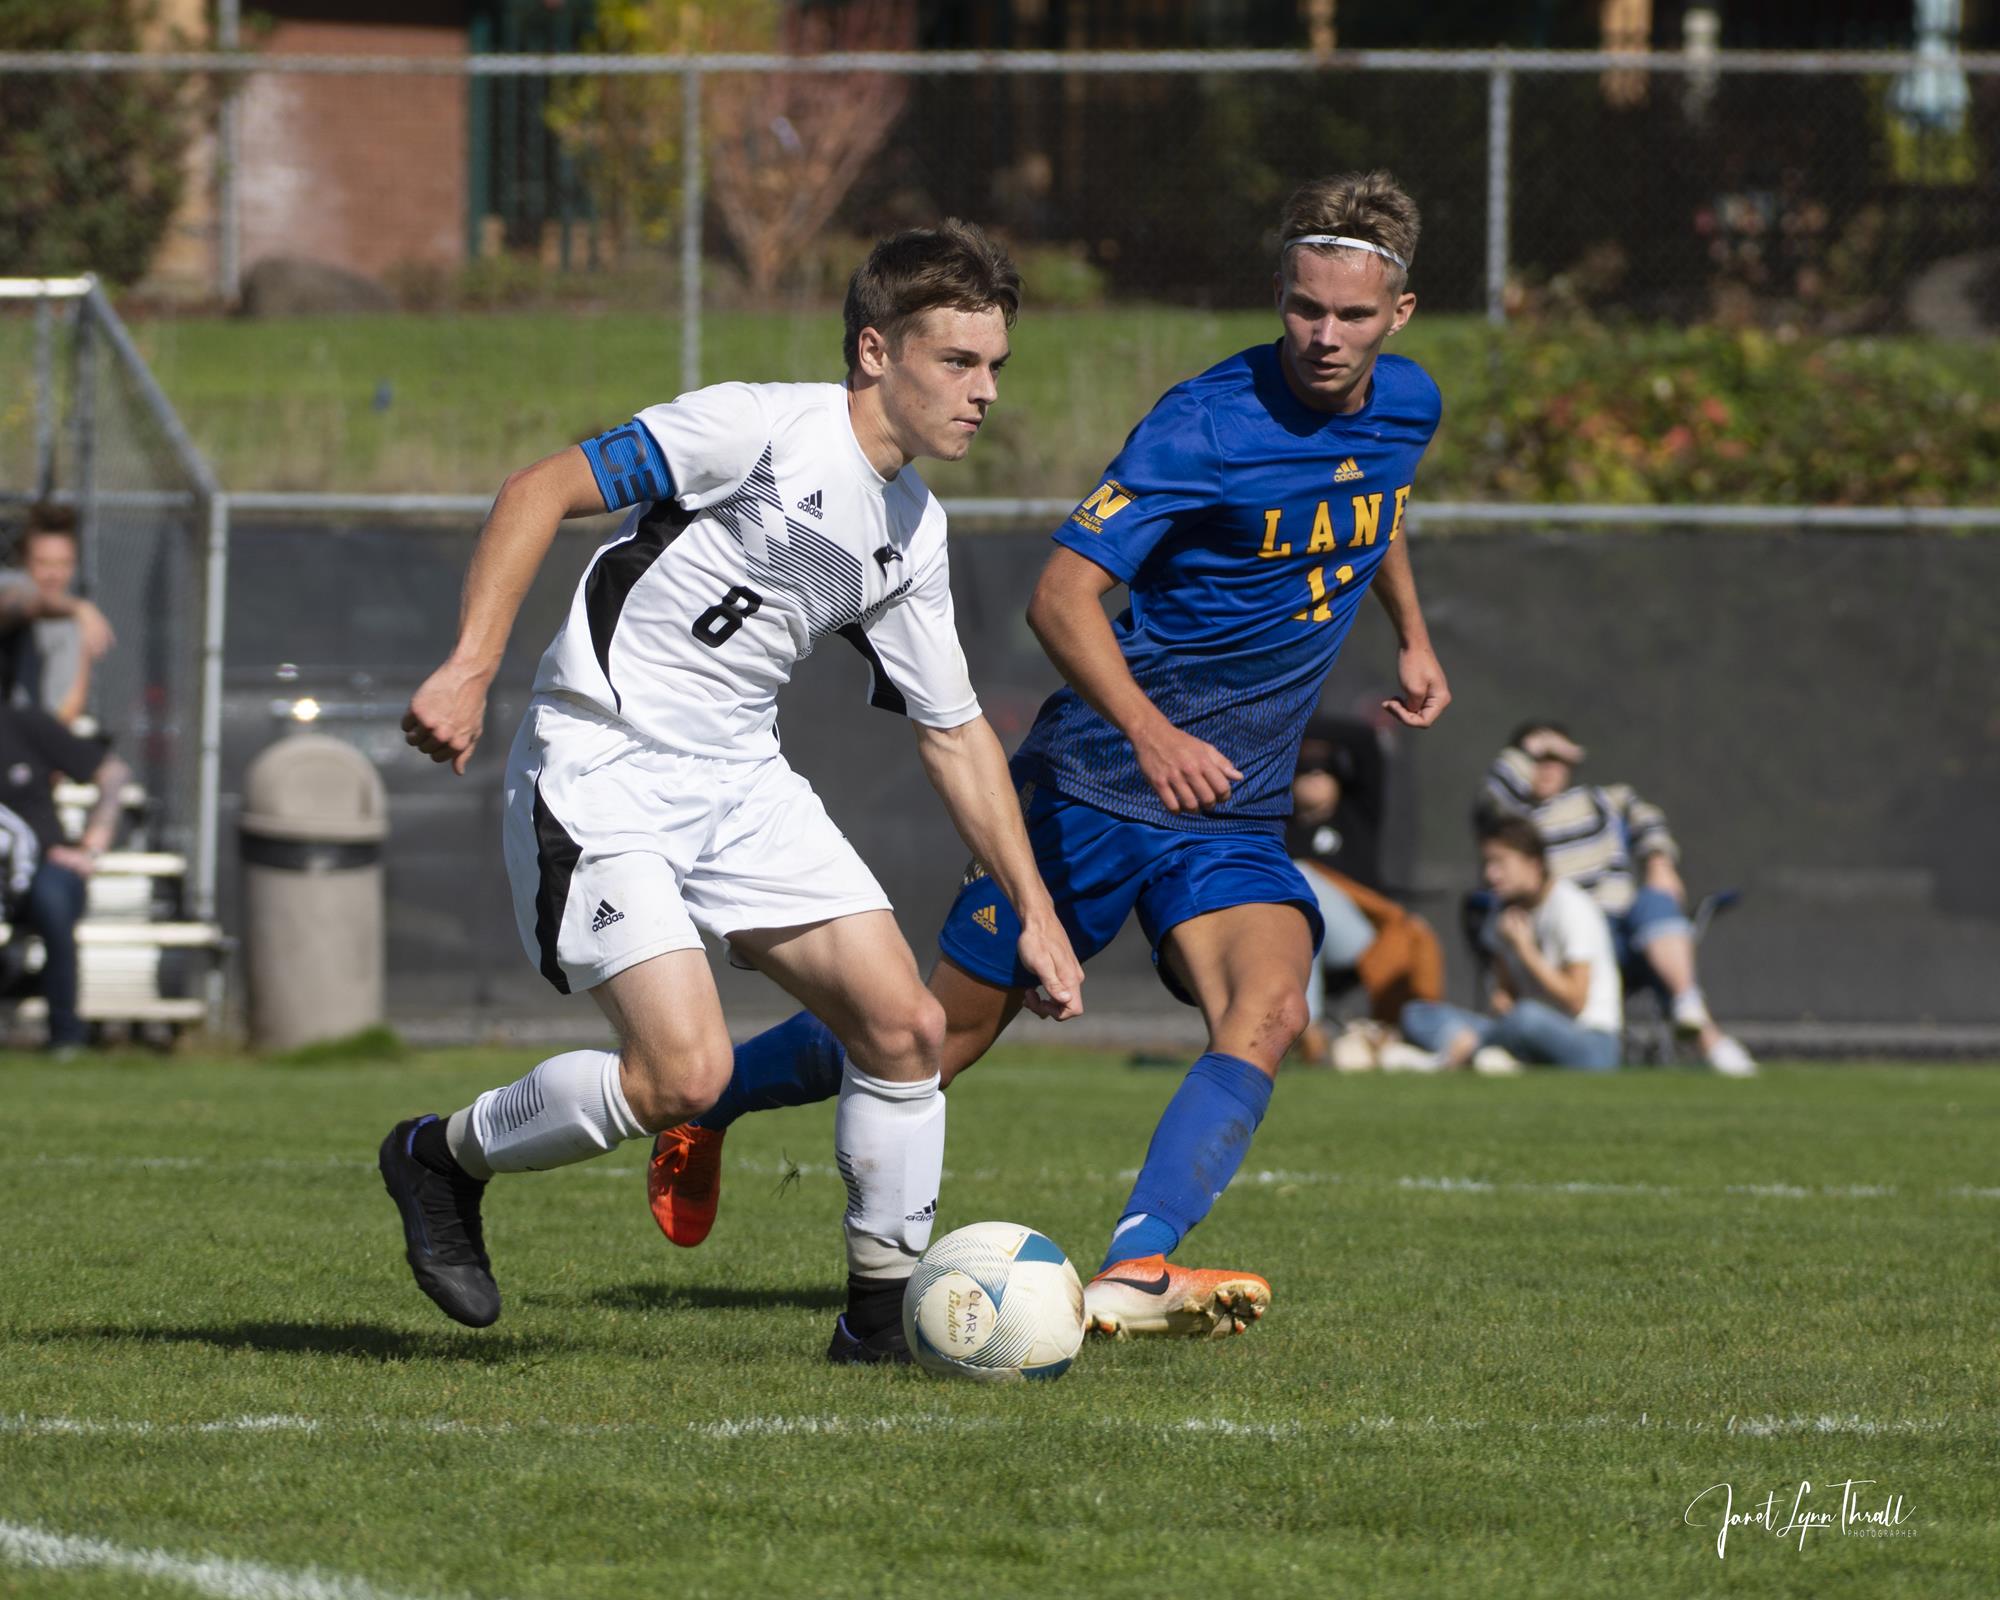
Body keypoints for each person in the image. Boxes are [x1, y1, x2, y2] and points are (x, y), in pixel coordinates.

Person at [647, 171, 1452, 1343]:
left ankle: (1138, 1263)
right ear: (1278, 295)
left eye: (1351, 316)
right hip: (1102, 781)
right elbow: (1060, 598)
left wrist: (1412, 635)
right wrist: (1152, 730)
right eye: (1302, 308)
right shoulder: (1203, 424)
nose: (1323, 336)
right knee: (935, 1037)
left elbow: (1375, 502)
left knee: (1269, 1006)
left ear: (1400, 315)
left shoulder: (1405, 407)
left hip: (1232, 808)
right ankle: (708, 1096)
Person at [381, 221, 1085, 1362]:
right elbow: (537, 489)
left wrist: (1038, 917)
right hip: (602, 763)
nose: (982, 392)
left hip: (739, 782)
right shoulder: (755, 427)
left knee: (904, 1027)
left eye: (994, 366)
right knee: (683, 1075)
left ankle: (873, 1329)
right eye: (956, 362)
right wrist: (468, 667)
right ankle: (438, 1156)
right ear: (873, 351)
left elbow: (954, 736)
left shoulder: (912, 531)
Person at [1481, 721, 1754, 1075]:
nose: (1547, 766)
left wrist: (1659, 861)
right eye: (1536, 758)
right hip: (1578, 932)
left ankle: (1696, 1018)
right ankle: (1704, 1035)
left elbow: (1645, 816)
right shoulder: (1517, 822)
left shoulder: (1599, 800)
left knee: (1655, 901)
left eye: (1557, 758)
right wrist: (1529, 748)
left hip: (1627, 929)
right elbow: (1492, 788)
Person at [1399, 815, 1622, 1072]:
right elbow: (1508, 996)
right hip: (1518, 1030)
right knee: (1416, 1014)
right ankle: (1487, 1054)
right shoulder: (1501, 915)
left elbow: (1575, 1000)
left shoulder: (1571, 908)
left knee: (1527, 1018)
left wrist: (1525, 950)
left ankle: (1460, 1052)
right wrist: (1502, 1000)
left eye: (1500, 863)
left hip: (1589, 1042)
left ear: (1533, 864)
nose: (1490, 874)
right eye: (1487, 863)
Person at [1286, 717, 1444, 1060]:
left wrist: (1291, 720)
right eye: (1305, 773)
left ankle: (1310, 1027)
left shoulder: (1355, 815)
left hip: (1362, 938)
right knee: (1292, 904)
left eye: (1323, 772)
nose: (1315, 780)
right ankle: (1310, 1033)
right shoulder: (1282, 828)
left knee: (1301, 879)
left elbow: (1364, 740)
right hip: (1301, 942)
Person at [0, 702, 129, 1052]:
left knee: (51, 898)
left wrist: (94, 844)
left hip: (45, 863)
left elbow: (112, 772)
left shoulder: (23, 724)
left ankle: (66, 1036)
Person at [0, 504, 115, 725]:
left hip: (41, 739)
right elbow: (28, 602)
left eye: (64, 563)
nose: (54, 574)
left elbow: (70, 705)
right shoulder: (12, 589)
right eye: (43, 563)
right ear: (24, 561)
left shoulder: (73, 620)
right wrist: (80, 609)